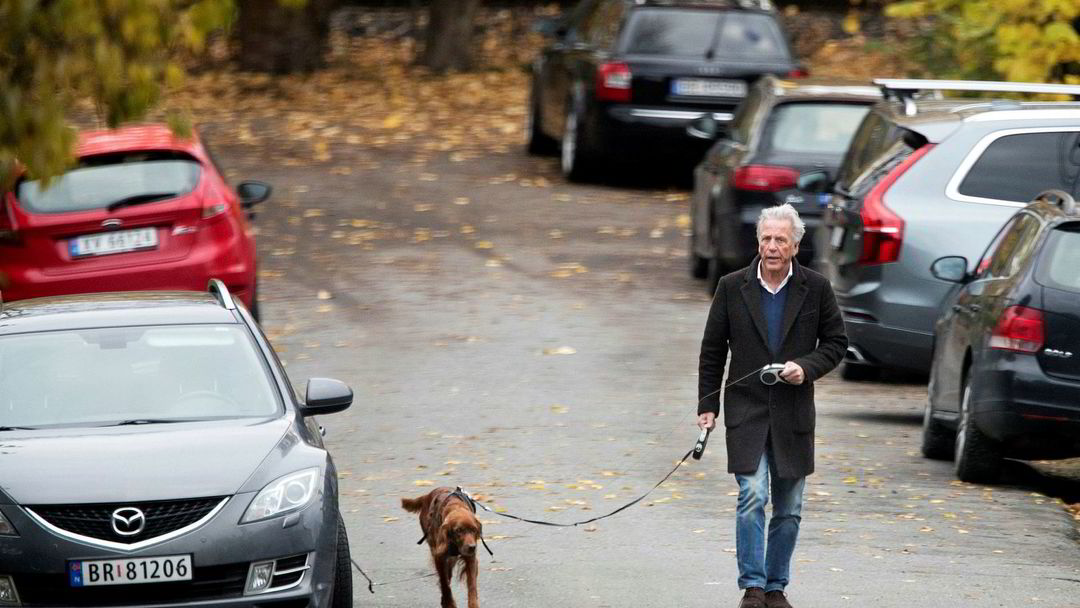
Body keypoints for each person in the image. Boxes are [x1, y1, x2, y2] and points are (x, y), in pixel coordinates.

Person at [697, 204, 847, 608]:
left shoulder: (815, 288)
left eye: (781, 239)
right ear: (758, 242)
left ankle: (777, 586)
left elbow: (836, 343)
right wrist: (708, 404)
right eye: (766, 238)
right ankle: (753, 586)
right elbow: (713, 349)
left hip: (794, 412)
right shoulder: (732, 286)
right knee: (751, 494)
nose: (772, 246)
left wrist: (806, 367)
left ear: (796, 246)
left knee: (789, 507)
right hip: (746, 410)